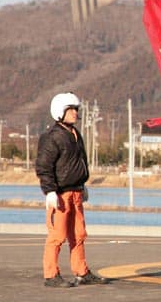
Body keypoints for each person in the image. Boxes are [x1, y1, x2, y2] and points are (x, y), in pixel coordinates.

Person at [35, 92, 109, 287]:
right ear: (60, 111)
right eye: (71, 109)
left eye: (76, 109)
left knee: (78, 234)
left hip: (76, 193)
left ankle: (82, 272)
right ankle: (51, 275)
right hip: (60, 194)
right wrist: (50, 191)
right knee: (57, 236)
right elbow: (43, 167)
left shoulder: (75, 135)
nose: (76, 113)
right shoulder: (52, 137)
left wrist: (82, 186)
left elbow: (79, 163)